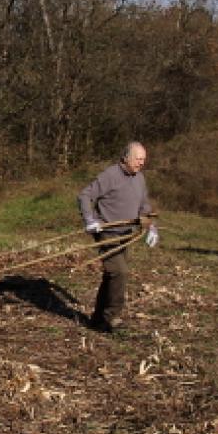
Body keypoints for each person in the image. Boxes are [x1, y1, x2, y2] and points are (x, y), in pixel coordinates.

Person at [78, 141, 154, 333]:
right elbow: (85, 195)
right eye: (138, 159)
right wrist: (90, 219)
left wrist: (152, 228)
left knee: (111, 277)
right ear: (126, 158)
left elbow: (144, 206)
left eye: (143, 159)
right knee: (119, 272)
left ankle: (97, 319)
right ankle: (113, 317)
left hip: (127, 235)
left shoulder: (140, 178)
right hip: (107, 233)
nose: (141, 163)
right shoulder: (110, 175)